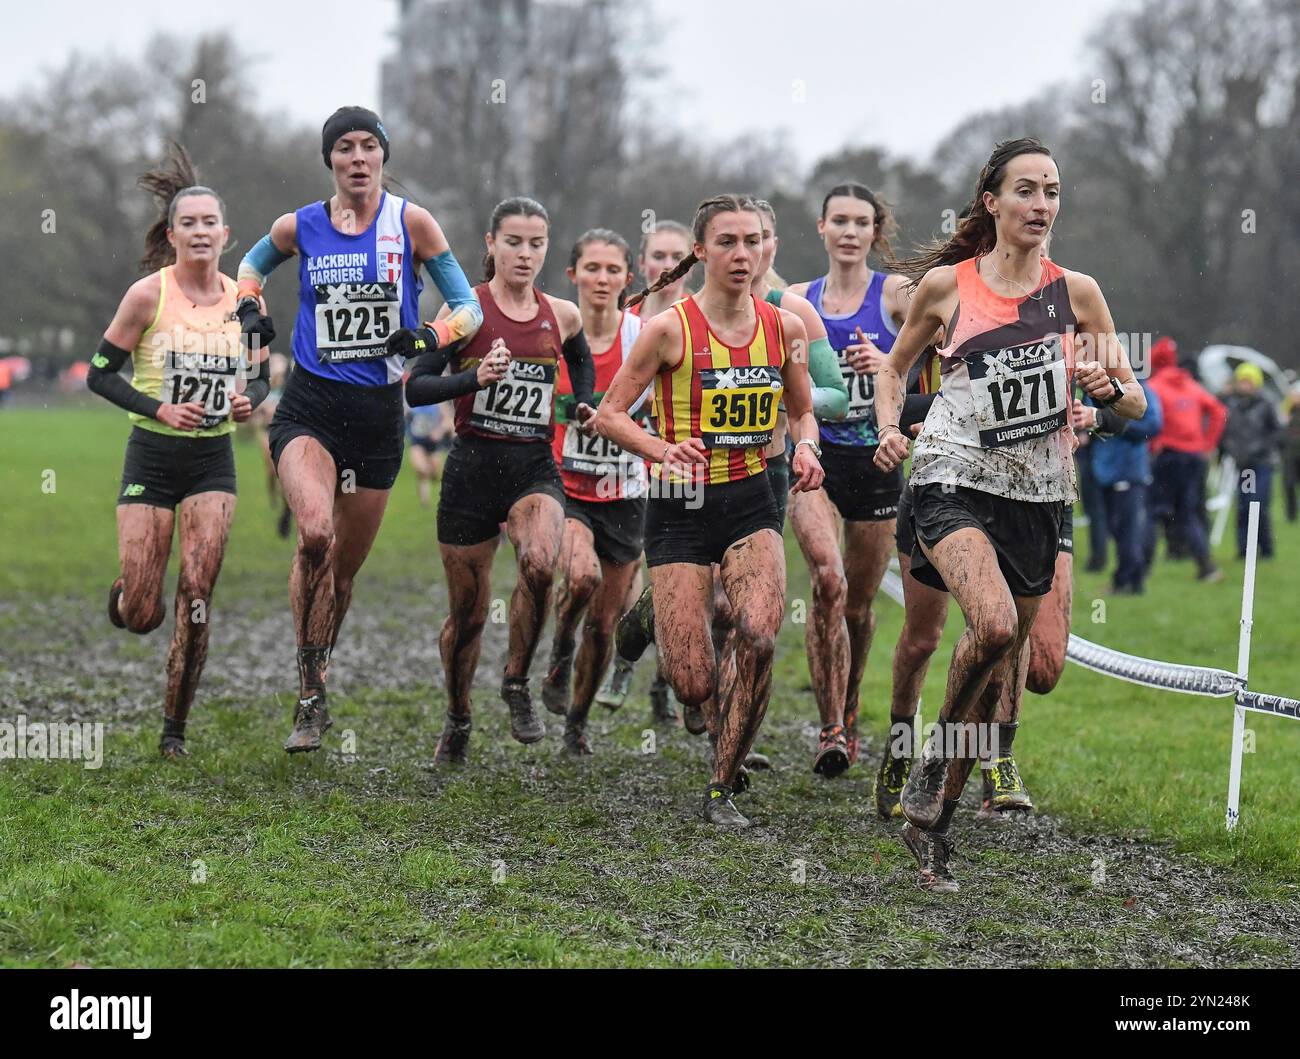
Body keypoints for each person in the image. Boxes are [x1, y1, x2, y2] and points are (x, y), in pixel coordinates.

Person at [874, 138, 1147, 892]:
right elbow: (895, 370)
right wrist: (891, 427)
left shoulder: (1079, 293)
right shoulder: (947, 285)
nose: (1041, 205)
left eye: (1052, 191)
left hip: (1038, 493)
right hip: (951, 479)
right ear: (991, 202)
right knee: (991, 625)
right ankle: (929, 766)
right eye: (1025, 190)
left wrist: (1102, 386)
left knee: (1003, 658)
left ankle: (934, 820)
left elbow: (1135, 402)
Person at [237, 106, 483, 753]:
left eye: (367, 145)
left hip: (378, 415)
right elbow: (251, 267)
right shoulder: (301, 225)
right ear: (331, 161)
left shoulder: (413, 224)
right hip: (309, 408)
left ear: (382, 157)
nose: (356, 157)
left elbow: (469, 310)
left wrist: (429, 335)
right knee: (314, 532)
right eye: (343, 146)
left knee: (341, 576)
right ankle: (311, 692)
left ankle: (315, 674)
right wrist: (249, 309)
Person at [591, 194, 824, 827]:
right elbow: (609, 415)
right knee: (693, 684)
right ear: (701, 252)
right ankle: (647, 613)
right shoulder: (671, 330)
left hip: (752, 497)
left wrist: (806, 449)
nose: (742, 254)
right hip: (680, 505)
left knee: (756, 635)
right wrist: (663, 449)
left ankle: (722, 784)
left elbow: (802, 410)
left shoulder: (786, 329)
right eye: (727, 242)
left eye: (752, 241)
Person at [88, 143, 272, 758]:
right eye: (187, 223)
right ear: (172, 235)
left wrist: (249, 398)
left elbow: (263, 375)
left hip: (212, 461)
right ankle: (126, 593)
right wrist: (158, 406)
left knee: (196, 593)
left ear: (226, 234)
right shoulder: (147, 296)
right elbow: (99, 374)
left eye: (208, 223)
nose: (199, 232)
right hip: (152, 455)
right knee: (145, 612)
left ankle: (174, 729)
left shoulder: (247, 303)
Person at [401, 197, 594, 763]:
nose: (526, 254)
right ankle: (458, 715)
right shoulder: (466, 312)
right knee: (469, 615)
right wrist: (473, 380)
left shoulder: (561, 314)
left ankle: (516, 683)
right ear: (491, 245)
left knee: (539, 562)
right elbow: (416, 387)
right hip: (471, 469)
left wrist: (582, 402)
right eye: (514, 242)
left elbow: (579, 358)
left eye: (537, 243)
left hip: (533, 466)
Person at [783, 183, 912, 775]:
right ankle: (830, 727)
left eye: (862, 222)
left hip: (879, 467)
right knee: (827, 584)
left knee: (857, 609)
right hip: (816, 460)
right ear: (822, 227)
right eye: (840, 220)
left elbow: (947, 356)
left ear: (875, 231)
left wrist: (888, 369)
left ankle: (850, 704)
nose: (850, 232)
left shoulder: (897, 296)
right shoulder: (796, 300)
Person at [540, 229, 650, 754]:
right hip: (566, 486)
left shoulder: (644, 337)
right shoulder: (556, 335)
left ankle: (576, 723)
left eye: (612, 270)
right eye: (592, 269)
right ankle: (560, 645)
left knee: (606, 626)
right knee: (579, 578)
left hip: (626, 493)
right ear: (573, 275)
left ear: (628, 279)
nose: (602, 279)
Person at [595, 221, 695, 721]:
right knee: (637, 567)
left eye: (679, 255)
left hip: (685, 464)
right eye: (659, 255)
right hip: (628, 461)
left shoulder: (698, 319)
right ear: (644, 260)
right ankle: (626, 665)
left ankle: (664, 682)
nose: (668, 266)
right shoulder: (627, 318)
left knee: (683, 577)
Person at [1145, 336, 1227, 581]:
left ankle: (1138, 572)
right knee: (1189, 512)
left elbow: (1146, 419)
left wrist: (1154, 443)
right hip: (1194, 458)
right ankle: (1206, 566)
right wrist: (1207, 444)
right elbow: (1219, 411)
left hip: (1168, 457)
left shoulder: (1154, 386)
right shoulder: (1190, 384)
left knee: (1152, 512)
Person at [1089, 379, 1163, 592]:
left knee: (1128, 528)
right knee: (1116, 528)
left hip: (1129, 471)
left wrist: (1118, 424)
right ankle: (1132, 578)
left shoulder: (1141, 390)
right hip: (1104, 471)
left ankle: (1127, 580)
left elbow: (1154, 424)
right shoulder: (1094, 386)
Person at [1222, 361, 1284, 558]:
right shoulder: (1230, 403)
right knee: (1242, 506)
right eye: (1242, 381)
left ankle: (1266, 548)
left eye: (1249, 382)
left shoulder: (1266, 404)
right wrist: (1230, 449)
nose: (1245, 385)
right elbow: (1226, 431)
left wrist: (1260, 448)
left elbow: (1277, 433)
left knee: (1258, 504)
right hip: (1242, 464)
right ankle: (1244, 549)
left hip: (1261, 463)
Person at [405, 398, 452, 506]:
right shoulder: (413, 399)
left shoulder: (439, 402)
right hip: (417, 440)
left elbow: (448, 420)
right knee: (422, 470)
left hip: (433, 442)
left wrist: (439, 431)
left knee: (435, 474)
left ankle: (432, 477)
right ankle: (424, 501)